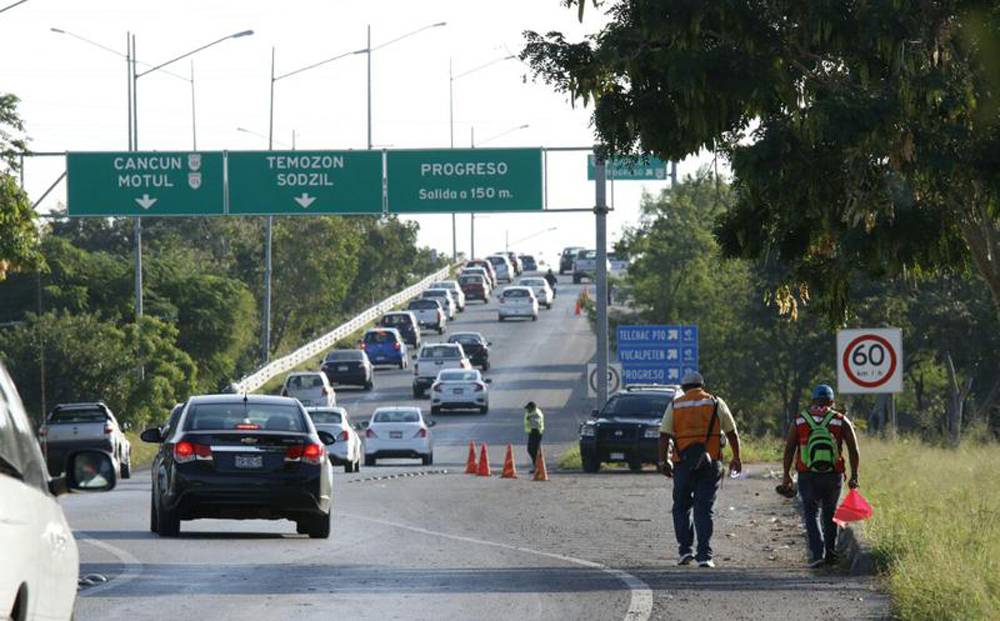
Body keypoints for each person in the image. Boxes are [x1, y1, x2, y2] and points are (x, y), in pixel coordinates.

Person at [658, 372, 742, 568]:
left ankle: (685, 551)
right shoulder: (715, 402)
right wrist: (736, 458)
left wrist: (663, 462)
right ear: (702, 385)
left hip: (683, 465)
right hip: (710, 463)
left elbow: (664, 435)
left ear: (684, 387)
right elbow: (732, 431)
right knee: (703, 509)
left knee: (681, 507)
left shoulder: (676, 404)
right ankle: (705, 555)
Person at [781, 384, 860, 568]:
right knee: (830, 513)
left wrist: (786, 475)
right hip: (833, 475)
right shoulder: (840, 420)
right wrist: (854, 475)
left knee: (811, 513)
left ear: (813, 401)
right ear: (832, 402)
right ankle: (830, 555)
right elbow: (854, 450)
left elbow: (789, 449)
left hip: (807, 474)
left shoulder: (800, 421)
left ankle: (817, 554)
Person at [524, 401, 545, 472]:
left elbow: (536, 424)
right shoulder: (531, 412)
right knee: (532, 450)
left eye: (528, 408)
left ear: (532, 408)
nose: (527, 410)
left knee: (533, 450)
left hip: (536, 432)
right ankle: (537, 465)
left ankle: (538, 466)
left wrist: (530, 419)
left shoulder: (535, 414)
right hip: (532, 432)